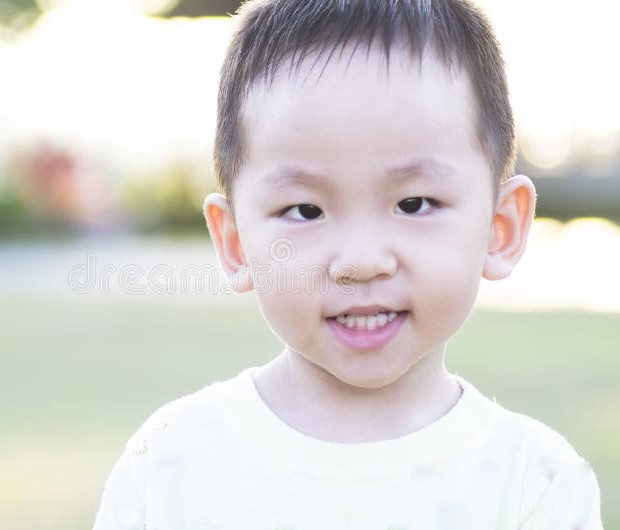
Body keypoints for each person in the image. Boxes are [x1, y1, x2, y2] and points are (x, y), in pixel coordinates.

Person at [93, 0, 603, 528]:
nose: (361, 262)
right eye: (305, 210)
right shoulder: (172, 470)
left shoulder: (533, 485)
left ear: (501, 227)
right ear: (236, 241)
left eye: (414, 204)